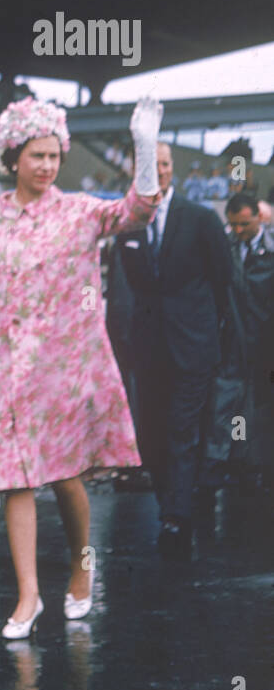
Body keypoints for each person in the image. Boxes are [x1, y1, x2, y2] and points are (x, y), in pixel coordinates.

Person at [0, 96, 162, 638]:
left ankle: (82, 567)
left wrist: (143, 146)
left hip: (64, 368)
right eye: (36, 155)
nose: (47, 165)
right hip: (7, 370)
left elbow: (137, 210)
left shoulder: (78, 213)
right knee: (14, 481)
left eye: (53, 155)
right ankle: (28, 596)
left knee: (65, 478)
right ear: (12, 157)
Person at [111, 141, 234, 560]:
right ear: (137, 170)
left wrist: (211, 331)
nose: (158, 171)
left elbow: (223, 280)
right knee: (151, 431)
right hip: (149, 345)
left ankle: (176, 513)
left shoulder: (200, 219)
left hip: (194, 342)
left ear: (172, 168)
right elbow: (126, 287)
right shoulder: (128, 226)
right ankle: (178, 498)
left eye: (163, 164)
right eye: (149, 164)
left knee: (183, 426)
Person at [214, 193, 274, 494]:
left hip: (265, 342)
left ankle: (259, 465)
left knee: (262, 407)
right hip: (234, 340)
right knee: (232, 404)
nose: (238, 231)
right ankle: (237, 463)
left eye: (244, 224)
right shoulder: (225, 249)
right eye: (233, 224)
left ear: (259, 218)